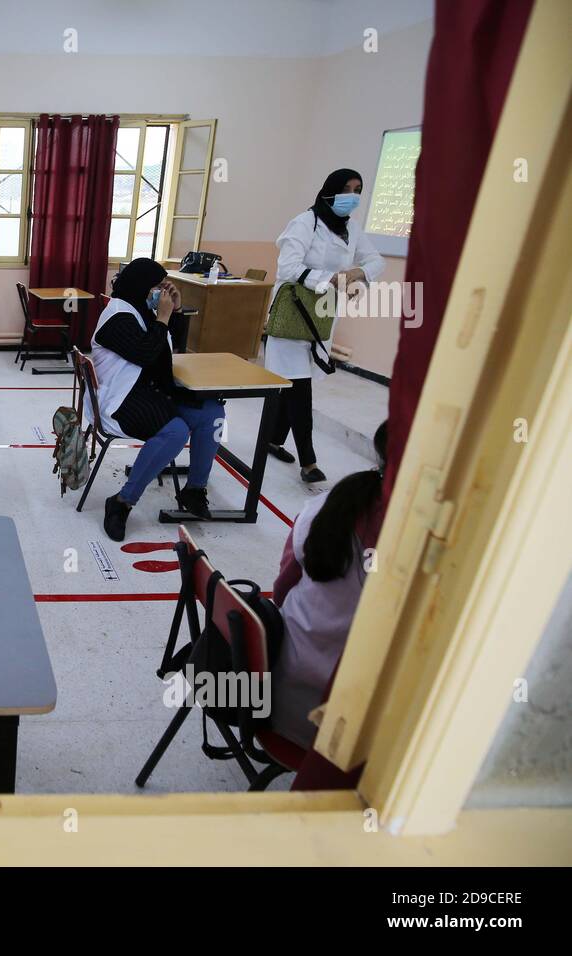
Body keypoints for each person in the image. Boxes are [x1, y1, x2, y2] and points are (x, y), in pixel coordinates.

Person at [89, 258, 226, 542]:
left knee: (211, 412)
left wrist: (173, 312)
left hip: (146, 389)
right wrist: (162, 317)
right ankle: (122, 502)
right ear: (140, 287)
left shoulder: (139, 310)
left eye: (163, 288)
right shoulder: (117, 316)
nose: (159, 294)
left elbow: (165, 349)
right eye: (156, 288)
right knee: (174, 432)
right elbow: (147, 353)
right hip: (120, 401)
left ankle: (194, 489)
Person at [269, 421, 388, 748]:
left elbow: (282, 590)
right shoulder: (420, 549)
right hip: (336, 737)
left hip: (279, 694)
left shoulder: (324, 507)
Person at [265, 168, 385, 483]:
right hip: (293, 313)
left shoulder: (353, 230)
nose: (353, 196)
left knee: (293, 384)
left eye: (358, 189)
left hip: (323, 313)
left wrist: (358, 273)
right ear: (331, 189)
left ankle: (273, 439)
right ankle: (309, 462)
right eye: (347, 188)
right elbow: (288, 267)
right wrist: (328, 279)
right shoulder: (305, 223)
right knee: (300, 389)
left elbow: (376, 260)